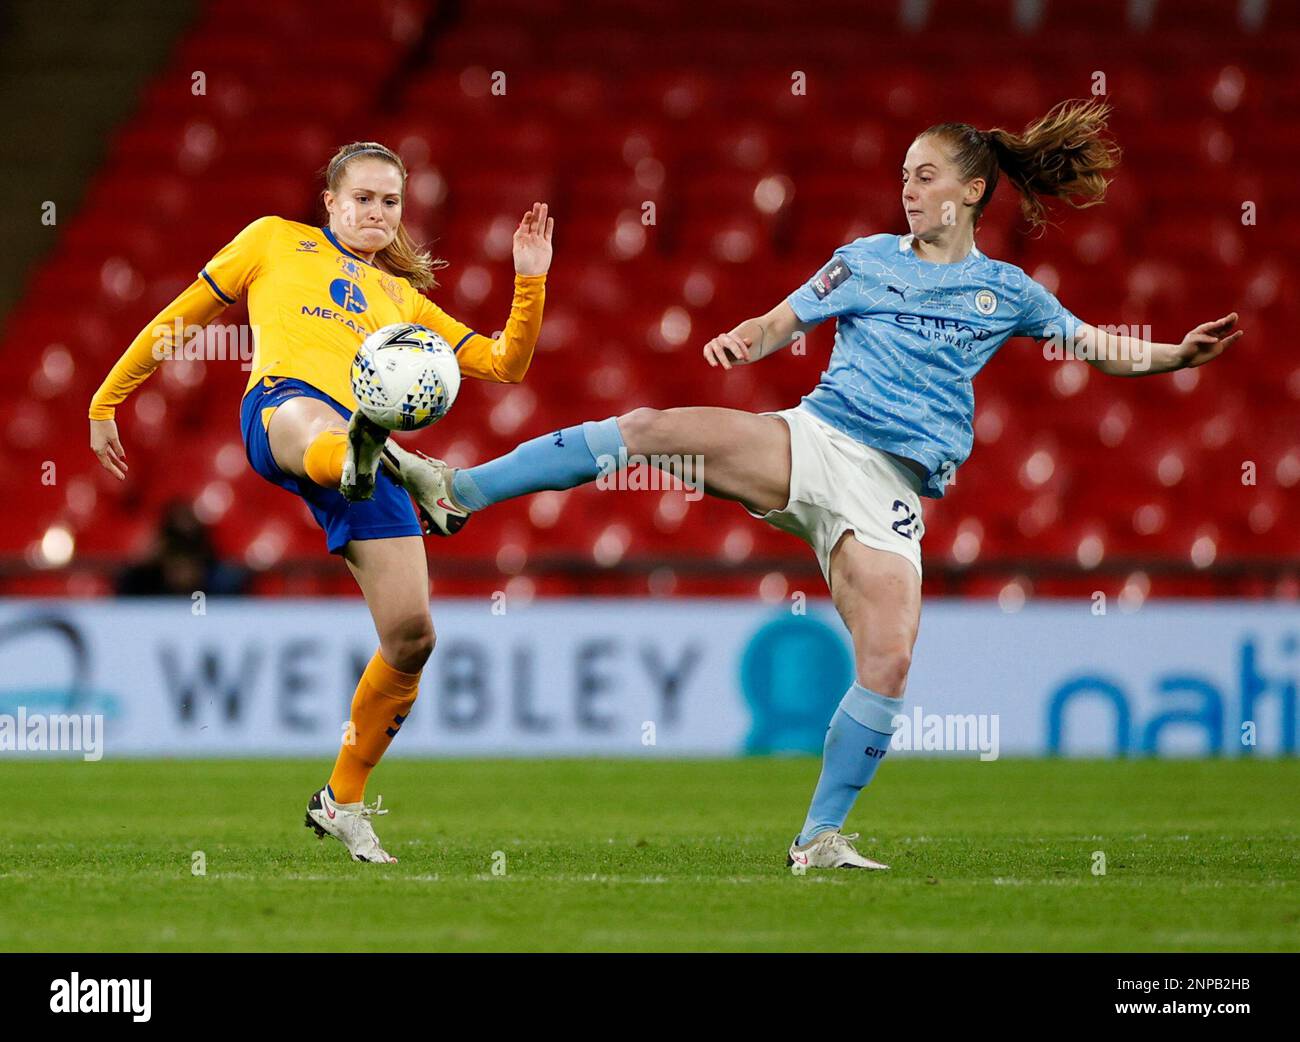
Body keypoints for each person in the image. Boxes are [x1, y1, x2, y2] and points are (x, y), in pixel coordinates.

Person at [405, 99, 1243, 869]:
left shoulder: (1006, 292)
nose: (907, 190)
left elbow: (1094, 345)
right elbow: (785, 319)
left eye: (924, 176)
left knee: (889, 658)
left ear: (973, 190)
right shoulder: (866, 260)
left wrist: (1173, 354)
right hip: (815, 442)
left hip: (889, 490)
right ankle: (461, 493)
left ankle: (819, 839)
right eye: (904, 176)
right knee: (650, 430)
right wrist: (748, 339)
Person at [89, 141, 556, 863]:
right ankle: (383, 454)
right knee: (324, 426)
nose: (376, 212)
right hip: (284, 413)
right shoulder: (275, 239)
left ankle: (340, 799)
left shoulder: (402, 302)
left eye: (390, 202)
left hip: (358, 457)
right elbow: (183, 317)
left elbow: (505, 363)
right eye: (363, 198)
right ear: (331, 203)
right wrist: (107, 399)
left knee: (413, 636)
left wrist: (530, 282)